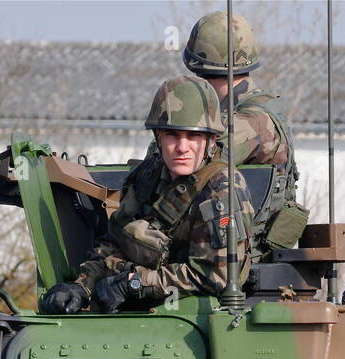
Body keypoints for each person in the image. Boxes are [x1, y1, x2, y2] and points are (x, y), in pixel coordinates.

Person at [39, 76, 253, 315]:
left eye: (193, 136)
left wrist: (135, 283)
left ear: (211, 139)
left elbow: (214, 275)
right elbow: (115, 242)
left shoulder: (222, 189)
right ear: (158, 138)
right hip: (146, 308)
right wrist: (82, 287)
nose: (182, 147)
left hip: (198, 314)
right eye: (172, 135)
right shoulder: (146, 177)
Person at [157, 11, 303, 252]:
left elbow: (187, 161)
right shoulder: (246, 114)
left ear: (199, 70)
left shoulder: (250, 121)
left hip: (240, 255)